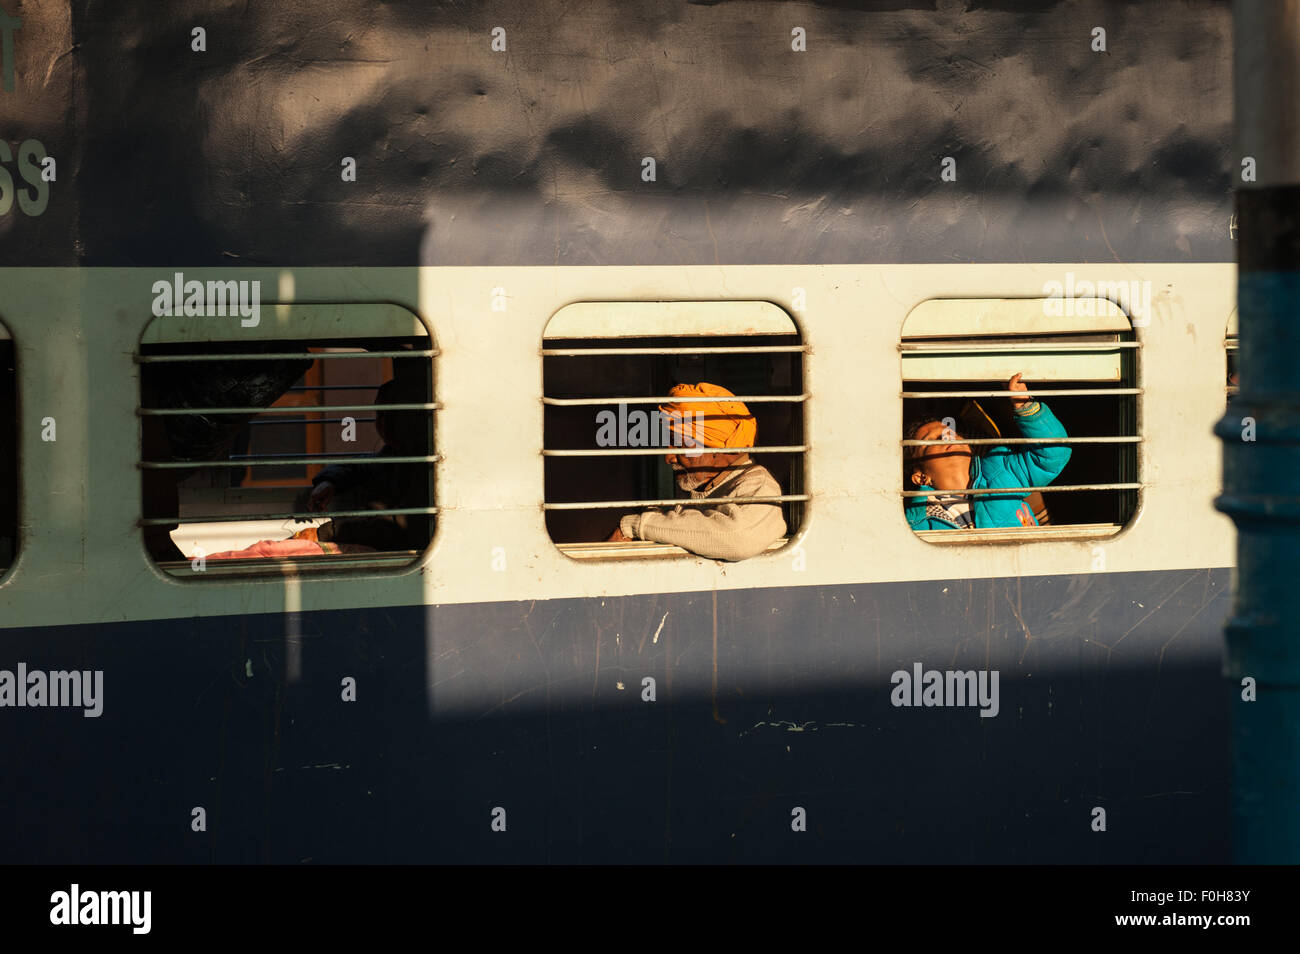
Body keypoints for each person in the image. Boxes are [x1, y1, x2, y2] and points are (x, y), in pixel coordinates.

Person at [608, 382, 787, 561]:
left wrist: (637, 525)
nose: (669, 458)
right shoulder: (700, 489)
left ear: (718, 446)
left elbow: (738, 538)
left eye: (680, 444)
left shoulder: (759, 486)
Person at [903, 373, 1071, 530]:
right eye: (929, 441)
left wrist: (1025, 405)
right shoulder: (917, 522)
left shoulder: (999, 469)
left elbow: (1053, 454)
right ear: (921, 477)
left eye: (951, 433)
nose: (946, 438)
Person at [305, 377, 431, 551]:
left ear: (413, 417)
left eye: (393, 415)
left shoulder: (426, 465)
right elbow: (361, 466)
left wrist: (328, 532)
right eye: (379, 414)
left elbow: (393, 526)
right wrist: (329, 482)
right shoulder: (395, 453)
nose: (383, 423)